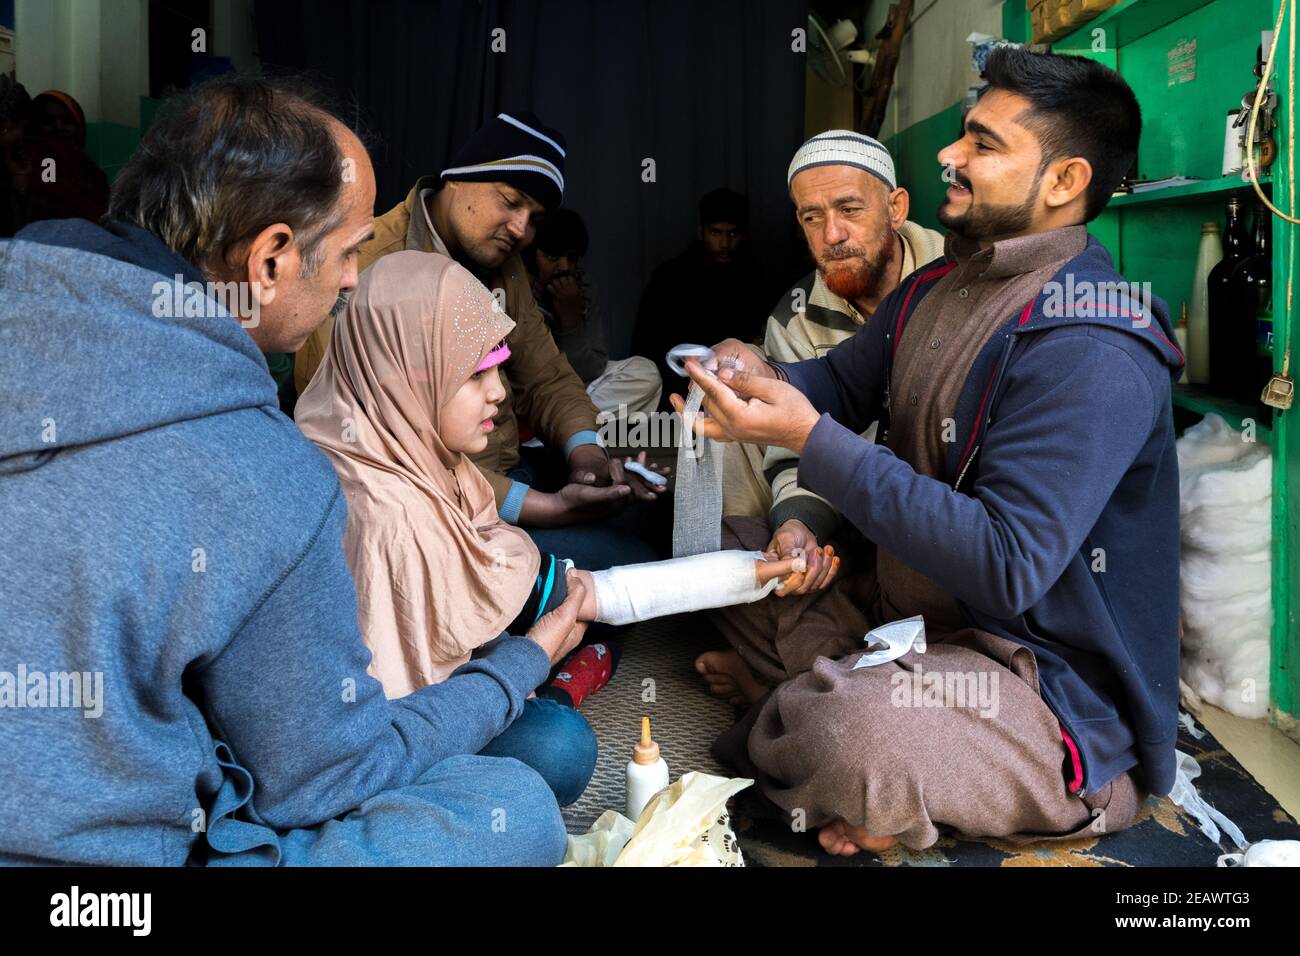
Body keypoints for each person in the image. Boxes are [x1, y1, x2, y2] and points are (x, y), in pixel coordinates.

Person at [0, 75, 581, 866]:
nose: (353, 280)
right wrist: (523, 664)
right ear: (271, 257)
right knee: (521, 802)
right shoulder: (275, 477)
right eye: (348, 252)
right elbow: (321, 779)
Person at [673, 49, 1181, 857]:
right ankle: (830, 708)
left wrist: (806, 438)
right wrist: (756, 371)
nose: (950, 154)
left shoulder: (1094, 338)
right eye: (961, 137)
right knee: (729, 557)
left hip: (1031, 679)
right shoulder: (940, 286)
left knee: (852, 738)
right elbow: (835, 381)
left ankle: (822, 713)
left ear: (1062, 180)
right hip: (903, 615)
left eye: (982, 143)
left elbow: (1007, 564)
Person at [297, 251, 808, 717]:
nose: (500, 393)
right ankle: (565, 677)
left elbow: (551, 585)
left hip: (494, 627)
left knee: (598, 565)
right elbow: (405, 710)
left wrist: (749, 571)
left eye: (498, 369)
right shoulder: (386, 512)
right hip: (414, 728)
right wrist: (533, 653)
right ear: (404, 378)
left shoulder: (417, 450)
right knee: (559, 749)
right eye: (476, 375)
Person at [294, 112, 665, 572]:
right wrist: (545, 508)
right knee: (631, 562)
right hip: (441, 510)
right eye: (511, 201)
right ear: (459, 180)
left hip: (510, 473)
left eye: (534, 219)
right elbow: (380, 454)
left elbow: (544, 373)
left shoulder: (501, 262)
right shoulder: (370, 270)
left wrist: (585, 458)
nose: (521, 229)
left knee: (645, 516)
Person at [720, 132, 945, 582]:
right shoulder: (794, 320)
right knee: (725, 410)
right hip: (849, 507)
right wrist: (799, 524)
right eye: (812, 217)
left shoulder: (957, 280)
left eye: (850, 209)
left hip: (944, 511)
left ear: (896, 208)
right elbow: (792, 450)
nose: (832, 235)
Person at [631, 187, 775, 408]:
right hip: (675, 388)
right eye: (715, 232)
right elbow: (646, 347)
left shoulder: (757, 278)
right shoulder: (670, 277)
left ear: (744, 235)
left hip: (738, 387)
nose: (724, 243)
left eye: (733, 233)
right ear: (701, 232)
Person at [523, 207, 662, 419]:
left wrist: (571, 321)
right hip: (534, 392)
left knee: (646, 373)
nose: (564, 267)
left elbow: (592, 370)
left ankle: (561, 425)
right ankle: (561, 425)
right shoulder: (517, 287)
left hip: (573, 389)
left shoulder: (582, 288)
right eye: (552, 257)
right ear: (532, 255)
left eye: (571, 258)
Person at [21, 90, 110, 226]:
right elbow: (50, 189)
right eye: (48, 121)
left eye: (66, 121)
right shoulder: (45, 160)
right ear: (35, 125)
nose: (58, 127)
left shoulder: (85, 165)